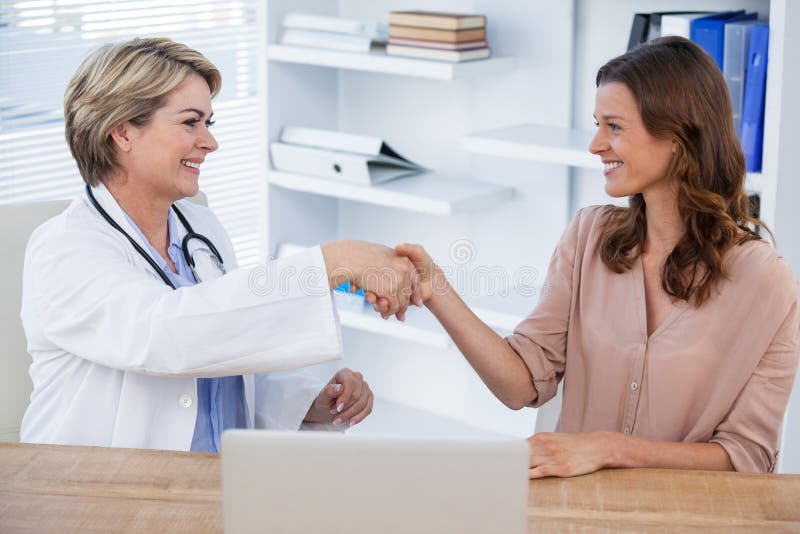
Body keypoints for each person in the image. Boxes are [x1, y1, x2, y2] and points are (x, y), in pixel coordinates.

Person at [392, 36, 800, 477]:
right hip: (576, 515)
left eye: (615, 127)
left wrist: (609, 449)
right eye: (597, 125)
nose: (595, 145)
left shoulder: (765, 281)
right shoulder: (589, 237)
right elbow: (521, 384)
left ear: (678, 136)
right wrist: (436, 289)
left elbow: (748, 456)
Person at [20, 37, 421, 452]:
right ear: (122, 131)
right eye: (190, 122)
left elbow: (222, 359)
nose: (210, 143)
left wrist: (308, 402)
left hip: (213, 483)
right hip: (98, 495)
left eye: (208, 124)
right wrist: (332, 262)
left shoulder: (202, 228)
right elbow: (164, 337)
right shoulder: (63, 249)